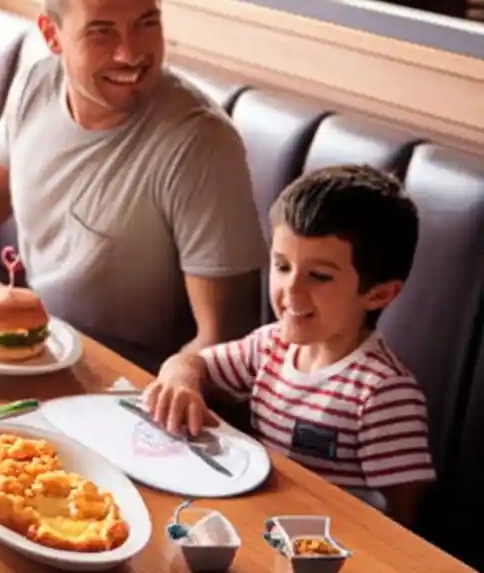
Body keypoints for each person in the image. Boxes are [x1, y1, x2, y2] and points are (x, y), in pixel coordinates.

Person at [0, 0, 264, 372]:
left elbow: (226, 340)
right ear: (52, 36)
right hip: (34, 354)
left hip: (131, 395)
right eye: (102, 31)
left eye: (146, 23)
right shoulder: (35, 84)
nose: (130, 53)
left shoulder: (201, 144)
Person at [143, 166, 434, 525]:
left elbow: (405, 524)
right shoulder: (270, 346)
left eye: (319, 276)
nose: (291, 292)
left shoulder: (383, 392)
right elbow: (191, 362)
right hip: (262, 521)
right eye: (282, 266)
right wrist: (181, 380)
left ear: (378, 294)